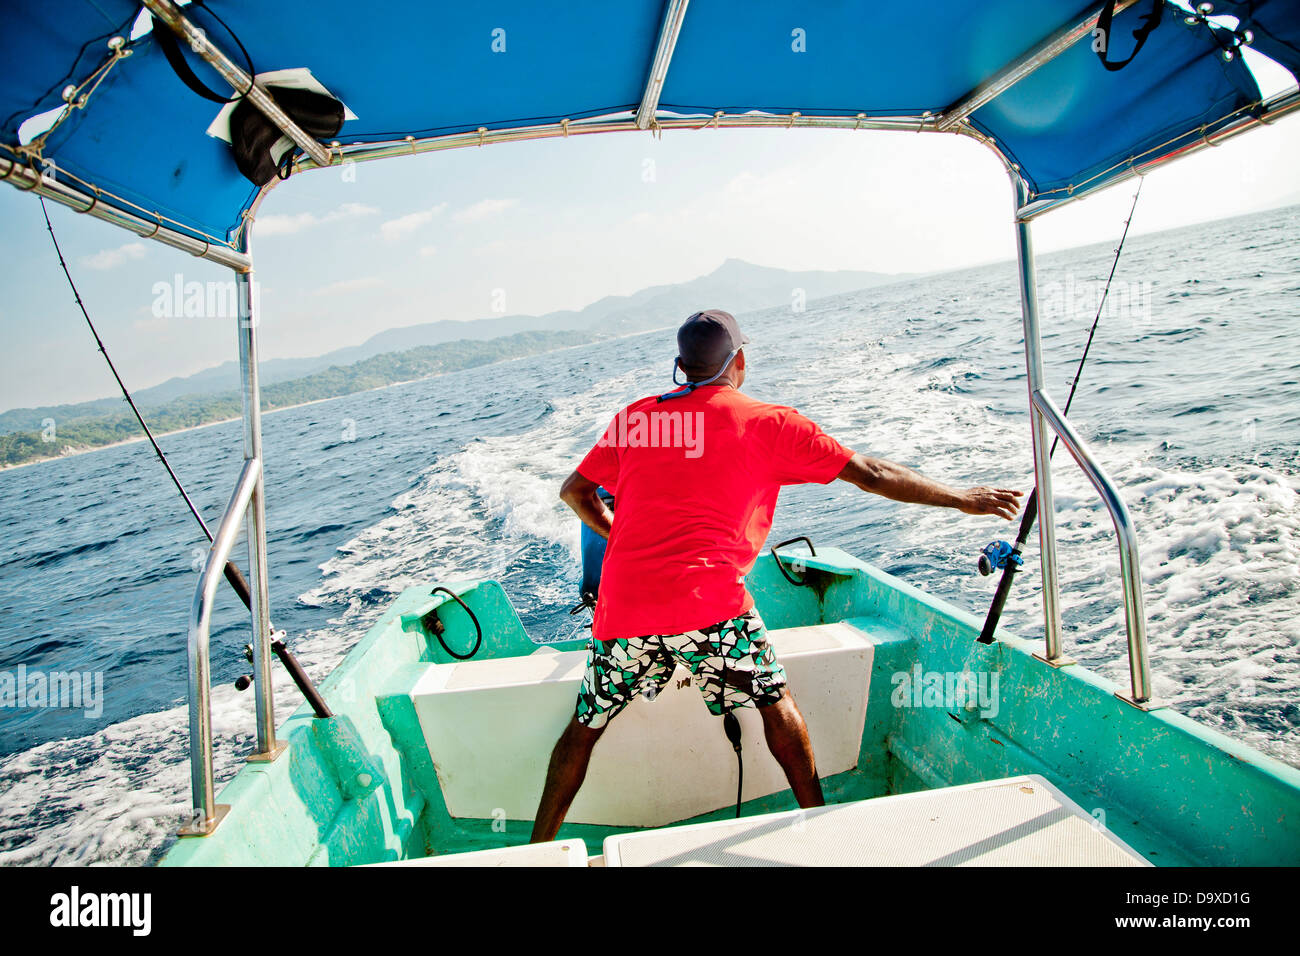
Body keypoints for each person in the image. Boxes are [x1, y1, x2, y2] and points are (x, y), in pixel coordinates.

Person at [529, 309, 1021, 842]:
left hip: (623, 612)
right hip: (712, 609)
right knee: (773, 702)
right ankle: (818, 826)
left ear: (680, 367)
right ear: (739, 361)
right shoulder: (770, 423)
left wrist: (619, 535)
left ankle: (537, 850)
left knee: (584, 728)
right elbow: (874, 475)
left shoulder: (635, 419)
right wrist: (964, 499)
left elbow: (573, 492)